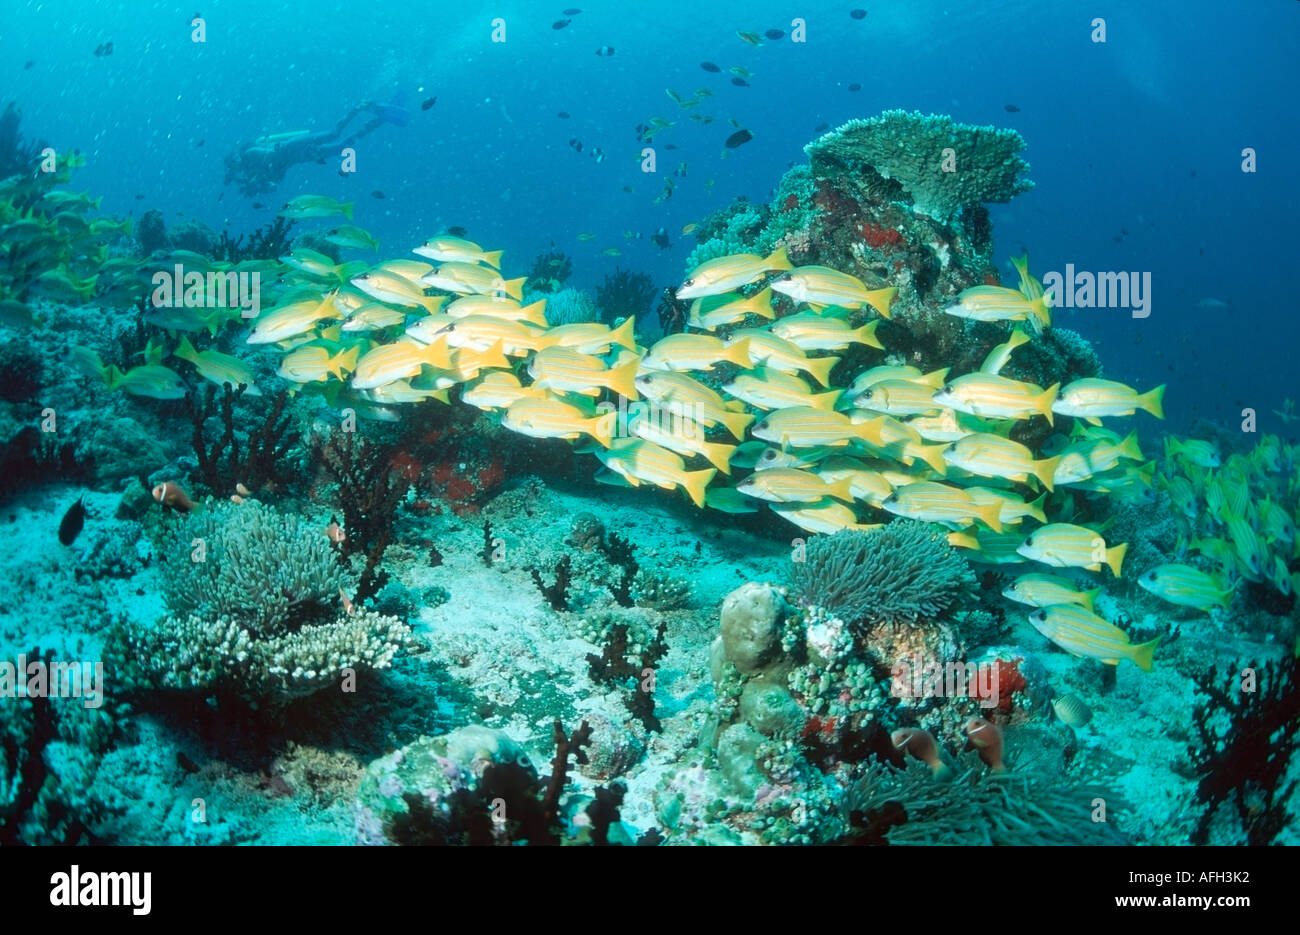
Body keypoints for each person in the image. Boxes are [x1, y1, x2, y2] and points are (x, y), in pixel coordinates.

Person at [223, 97, 408, 196]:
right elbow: (277, 181)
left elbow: (270, 156)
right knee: (343, 146)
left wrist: (258, 177)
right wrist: (261, 184)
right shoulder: (251, 174)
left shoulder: (249, 154)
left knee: (333, 133)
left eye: (234, 164)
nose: (237, 167)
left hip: (290, 147)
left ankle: (359, 107)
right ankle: (377, 122)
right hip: (299, 157)